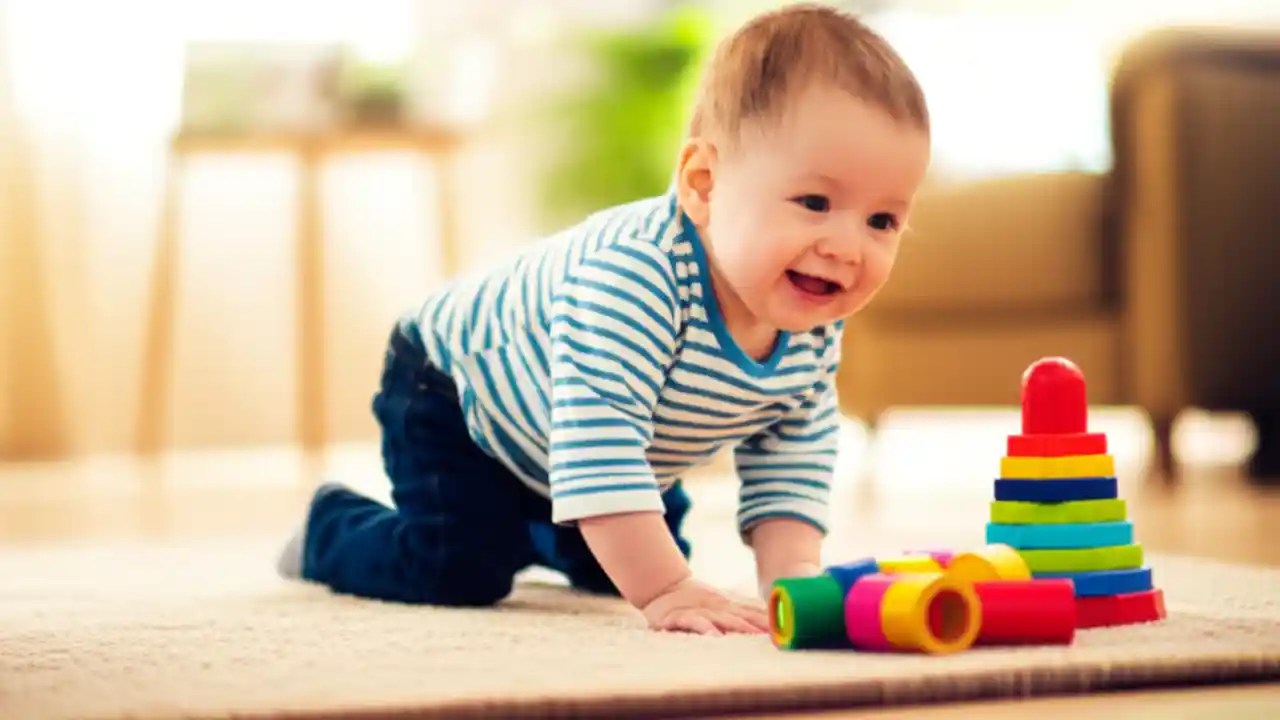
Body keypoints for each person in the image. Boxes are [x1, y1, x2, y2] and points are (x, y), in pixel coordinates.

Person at [277, 2, 931, 636]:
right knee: (461, 566)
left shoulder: (811, 314)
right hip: (456, 391)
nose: (848, 247)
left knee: (613, 559)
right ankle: (329, 529)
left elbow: (793, 457)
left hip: (584, 435)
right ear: (703, 185)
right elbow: (600, 440)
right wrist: (666, 591)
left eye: (883, 220)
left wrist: (792, 581)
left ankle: (541, 521)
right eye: (814, 202)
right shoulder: (637, 277)